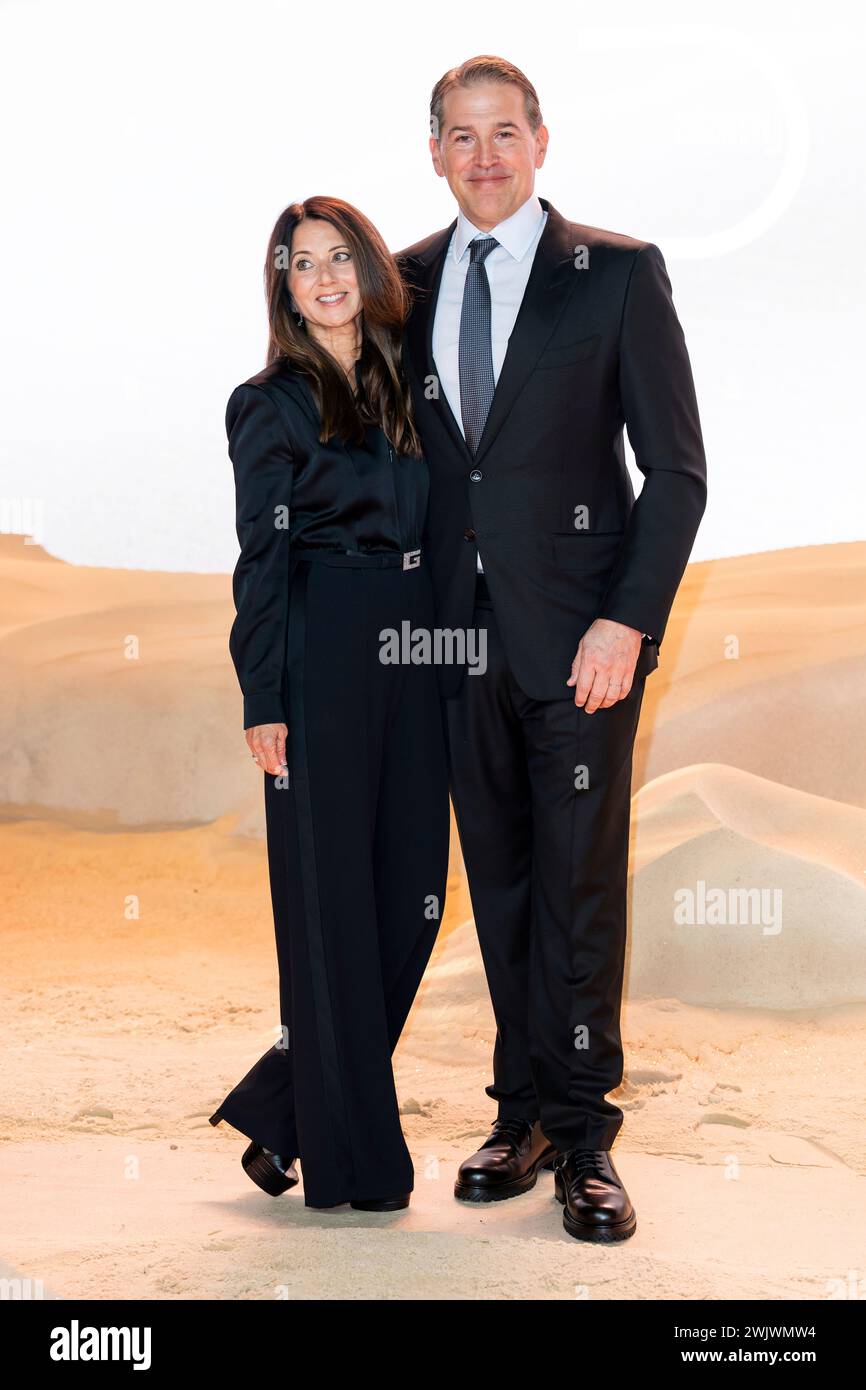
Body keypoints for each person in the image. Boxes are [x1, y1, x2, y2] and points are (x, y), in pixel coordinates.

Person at [397, 56, 707, 1241]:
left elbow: (673, 472)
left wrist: (625, 620)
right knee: (504, 884)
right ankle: (517, 1111)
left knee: (577, 887)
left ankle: (583, 1136)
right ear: (433, 152)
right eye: (459, 136)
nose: (483, 155)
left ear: (540, 141)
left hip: (583, 644)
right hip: (449, 646)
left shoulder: (615, 276)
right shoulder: (403, 284)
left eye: (503, 132)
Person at [209, 196, 450, 1212]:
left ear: (367, 267)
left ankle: (285, 1106)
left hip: (415, 641)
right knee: (330, 910)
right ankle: (354, 1167)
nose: (324, 276)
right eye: (301, 263)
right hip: (319, 647)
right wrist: (263, 693)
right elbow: (259, 555)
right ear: (283, 286)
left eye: (339, 255)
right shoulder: (264, 402)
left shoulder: (411, 380)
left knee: (411, 899)